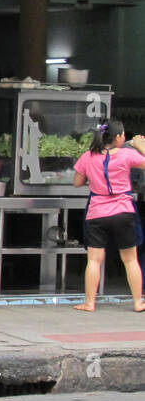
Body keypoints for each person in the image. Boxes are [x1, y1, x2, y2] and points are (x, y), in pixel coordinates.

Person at [72, 120, 145, 313]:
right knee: (130, 259)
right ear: (118, 137)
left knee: (94, 260)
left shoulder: (88, 156)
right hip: (123, 211)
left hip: (96, 212)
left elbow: (77, 182)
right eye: (123, 135)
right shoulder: (127, 154)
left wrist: (93, 177)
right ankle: (138, 302)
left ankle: (89, 303)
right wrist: (140, 146)